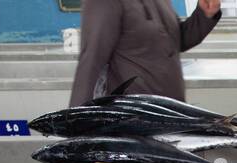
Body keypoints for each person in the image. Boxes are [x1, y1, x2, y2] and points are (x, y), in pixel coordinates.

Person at [70, 0, 221, 107]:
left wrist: (204, 15)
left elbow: (175, 42)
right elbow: (91, 60)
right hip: (135, 119)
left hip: (172, 111)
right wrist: (75, 123)